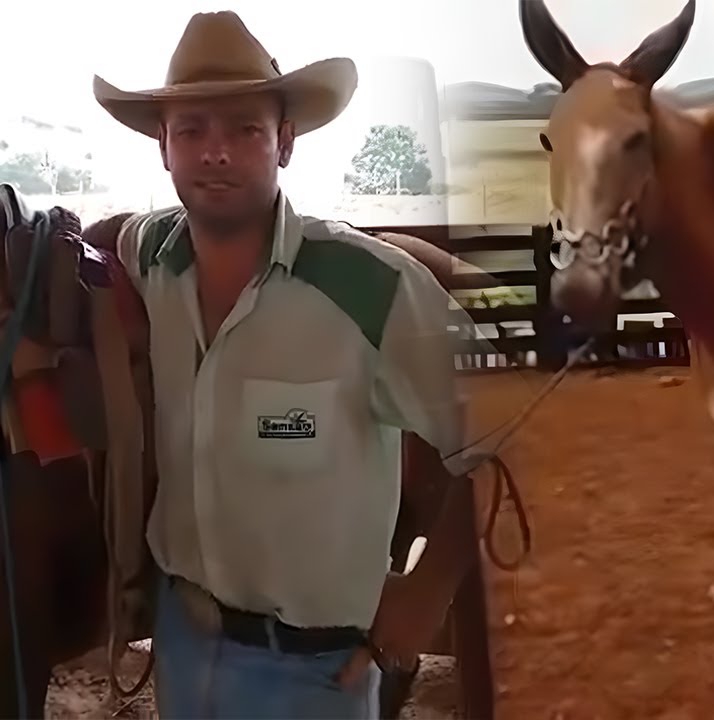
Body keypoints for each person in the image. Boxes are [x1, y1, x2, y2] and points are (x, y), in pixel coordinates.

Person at [87, 11, 476, 718]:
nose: (216, 154)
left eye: (245, 129)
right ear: (163, 149)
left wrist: (424, 597)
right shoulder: (153, 255)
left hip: (313, 674)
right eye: (192, 131)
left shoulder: (372, 289)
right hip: (181, 644)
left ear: (285, 143)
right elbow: (111, 234)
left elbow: (505, 433)